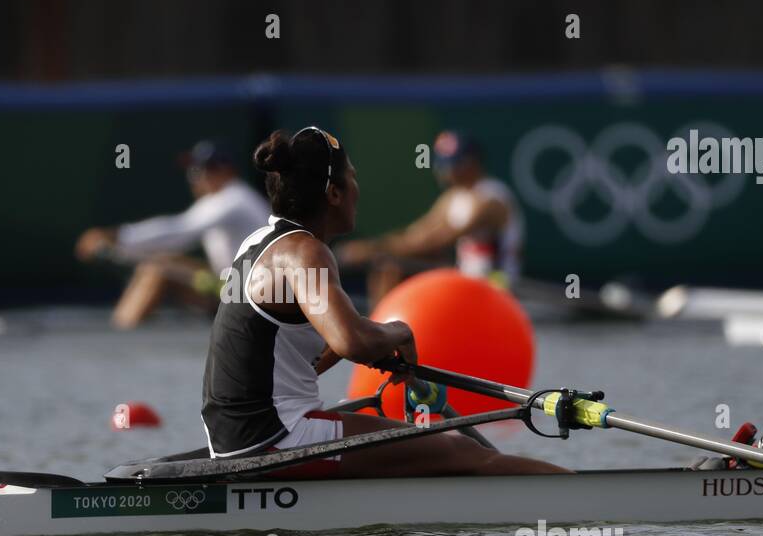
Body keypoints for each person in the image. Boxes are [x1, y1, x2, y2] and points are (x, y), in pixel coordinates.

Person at [200, 127, 567, 479]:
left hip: (234, 441)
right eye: (353, 177)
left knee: (422, 454)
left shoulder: (257, 242)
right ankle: (589, 502)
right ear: (334, 193)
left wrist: (369, 341)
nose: (359, 188)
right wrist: (399, 332)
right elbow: (353, 342)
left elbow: (295, 363)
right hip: (276, 439)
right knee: (466, 452)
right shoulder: (305, 251)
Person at [75, 140, 269, 329]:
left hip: (246, 294)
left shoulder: (232, 199)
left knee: (159, 269)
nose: (195, 178)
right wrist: (119, 248)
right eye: (193, 171)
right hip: (231, 286)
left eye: (202, 170)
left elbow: (178, 233)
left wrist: (114, 236)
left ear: (225, 170)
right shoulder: (228, 198)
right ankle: (121, 327)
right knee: (159, 263)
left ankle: (119, 336)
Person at [336, 130, 525, 307]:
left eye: (452, 165)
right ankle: (381, 328)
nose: (444, 171)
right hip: (466, 279)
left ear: (472, 163)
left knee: (393, 260)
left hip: (498, 283)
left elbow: (436, 241)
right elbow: (417, 234)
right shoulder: (453, 198)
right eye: (443, 164)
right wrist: (376, 249)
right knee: (389, 266)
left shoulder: (490, 200)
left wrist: (369, 250)